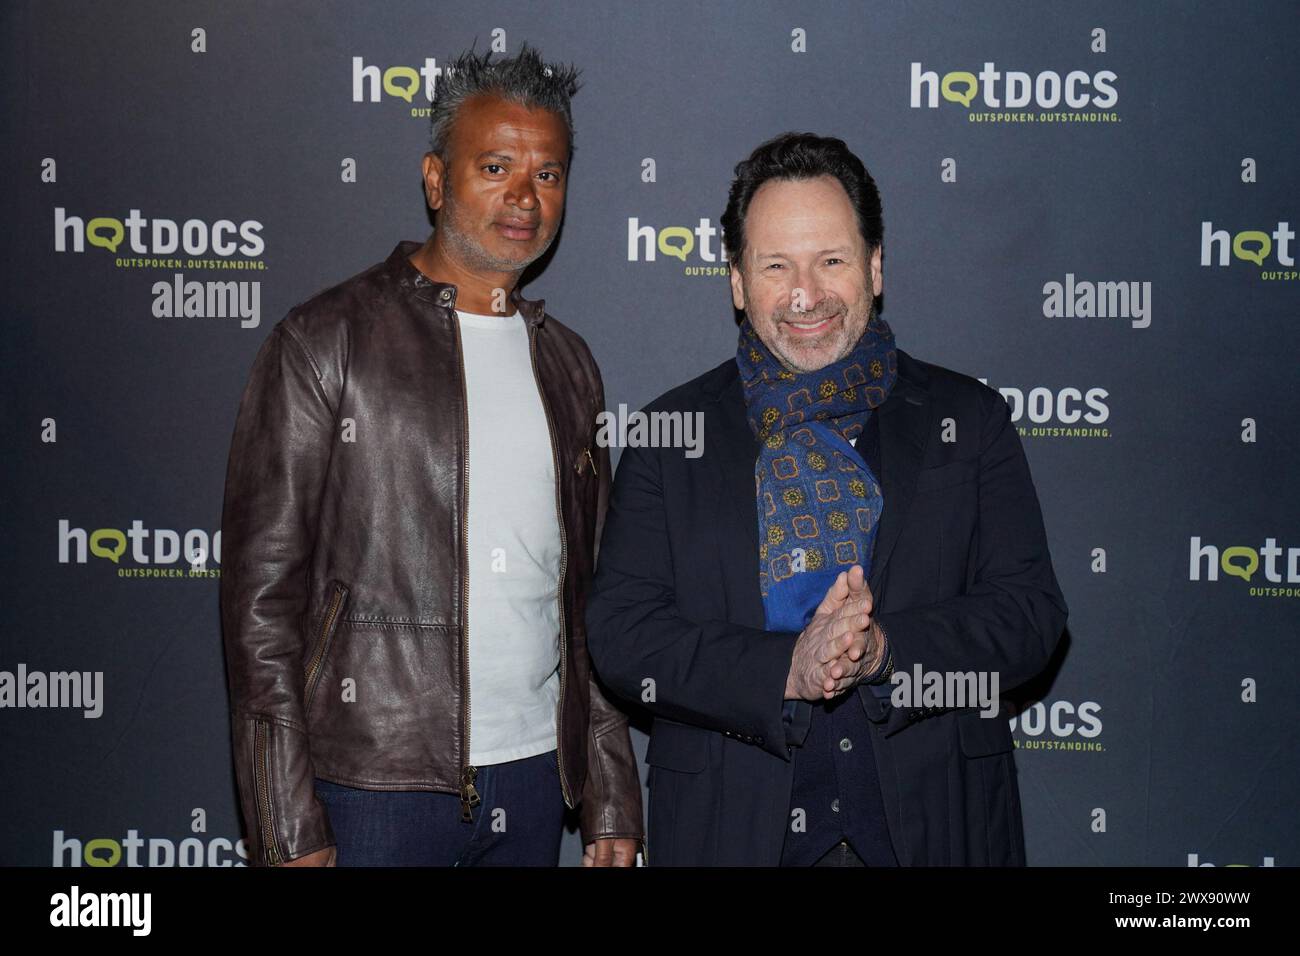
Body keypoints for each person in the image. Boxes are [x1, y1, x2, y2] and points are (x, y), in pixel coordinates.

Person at [585, 132, 1068, 866]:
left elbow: (1030, 617)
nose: (805, 295)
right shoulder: (668, 435)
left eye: (831, 261)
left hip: (941, 823)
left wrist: (885, 652)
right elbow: (624, 635)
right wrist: (786, 669)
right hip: (731, 830)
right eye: (776, 265)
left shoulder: (968, 419)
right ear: (737, 282)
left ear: (875, 267)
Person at [219, 43, 642, 867]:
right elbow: (260, 606)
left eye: (548, 174)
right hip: (366, 782)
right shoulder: (326, 340)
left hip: (533, 780)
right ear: (437, 180)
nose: (525, 196)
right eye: (495, 167)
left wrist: (611, 791)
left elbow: (589, 596)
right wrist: (284, 821)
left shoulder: (568, 365)